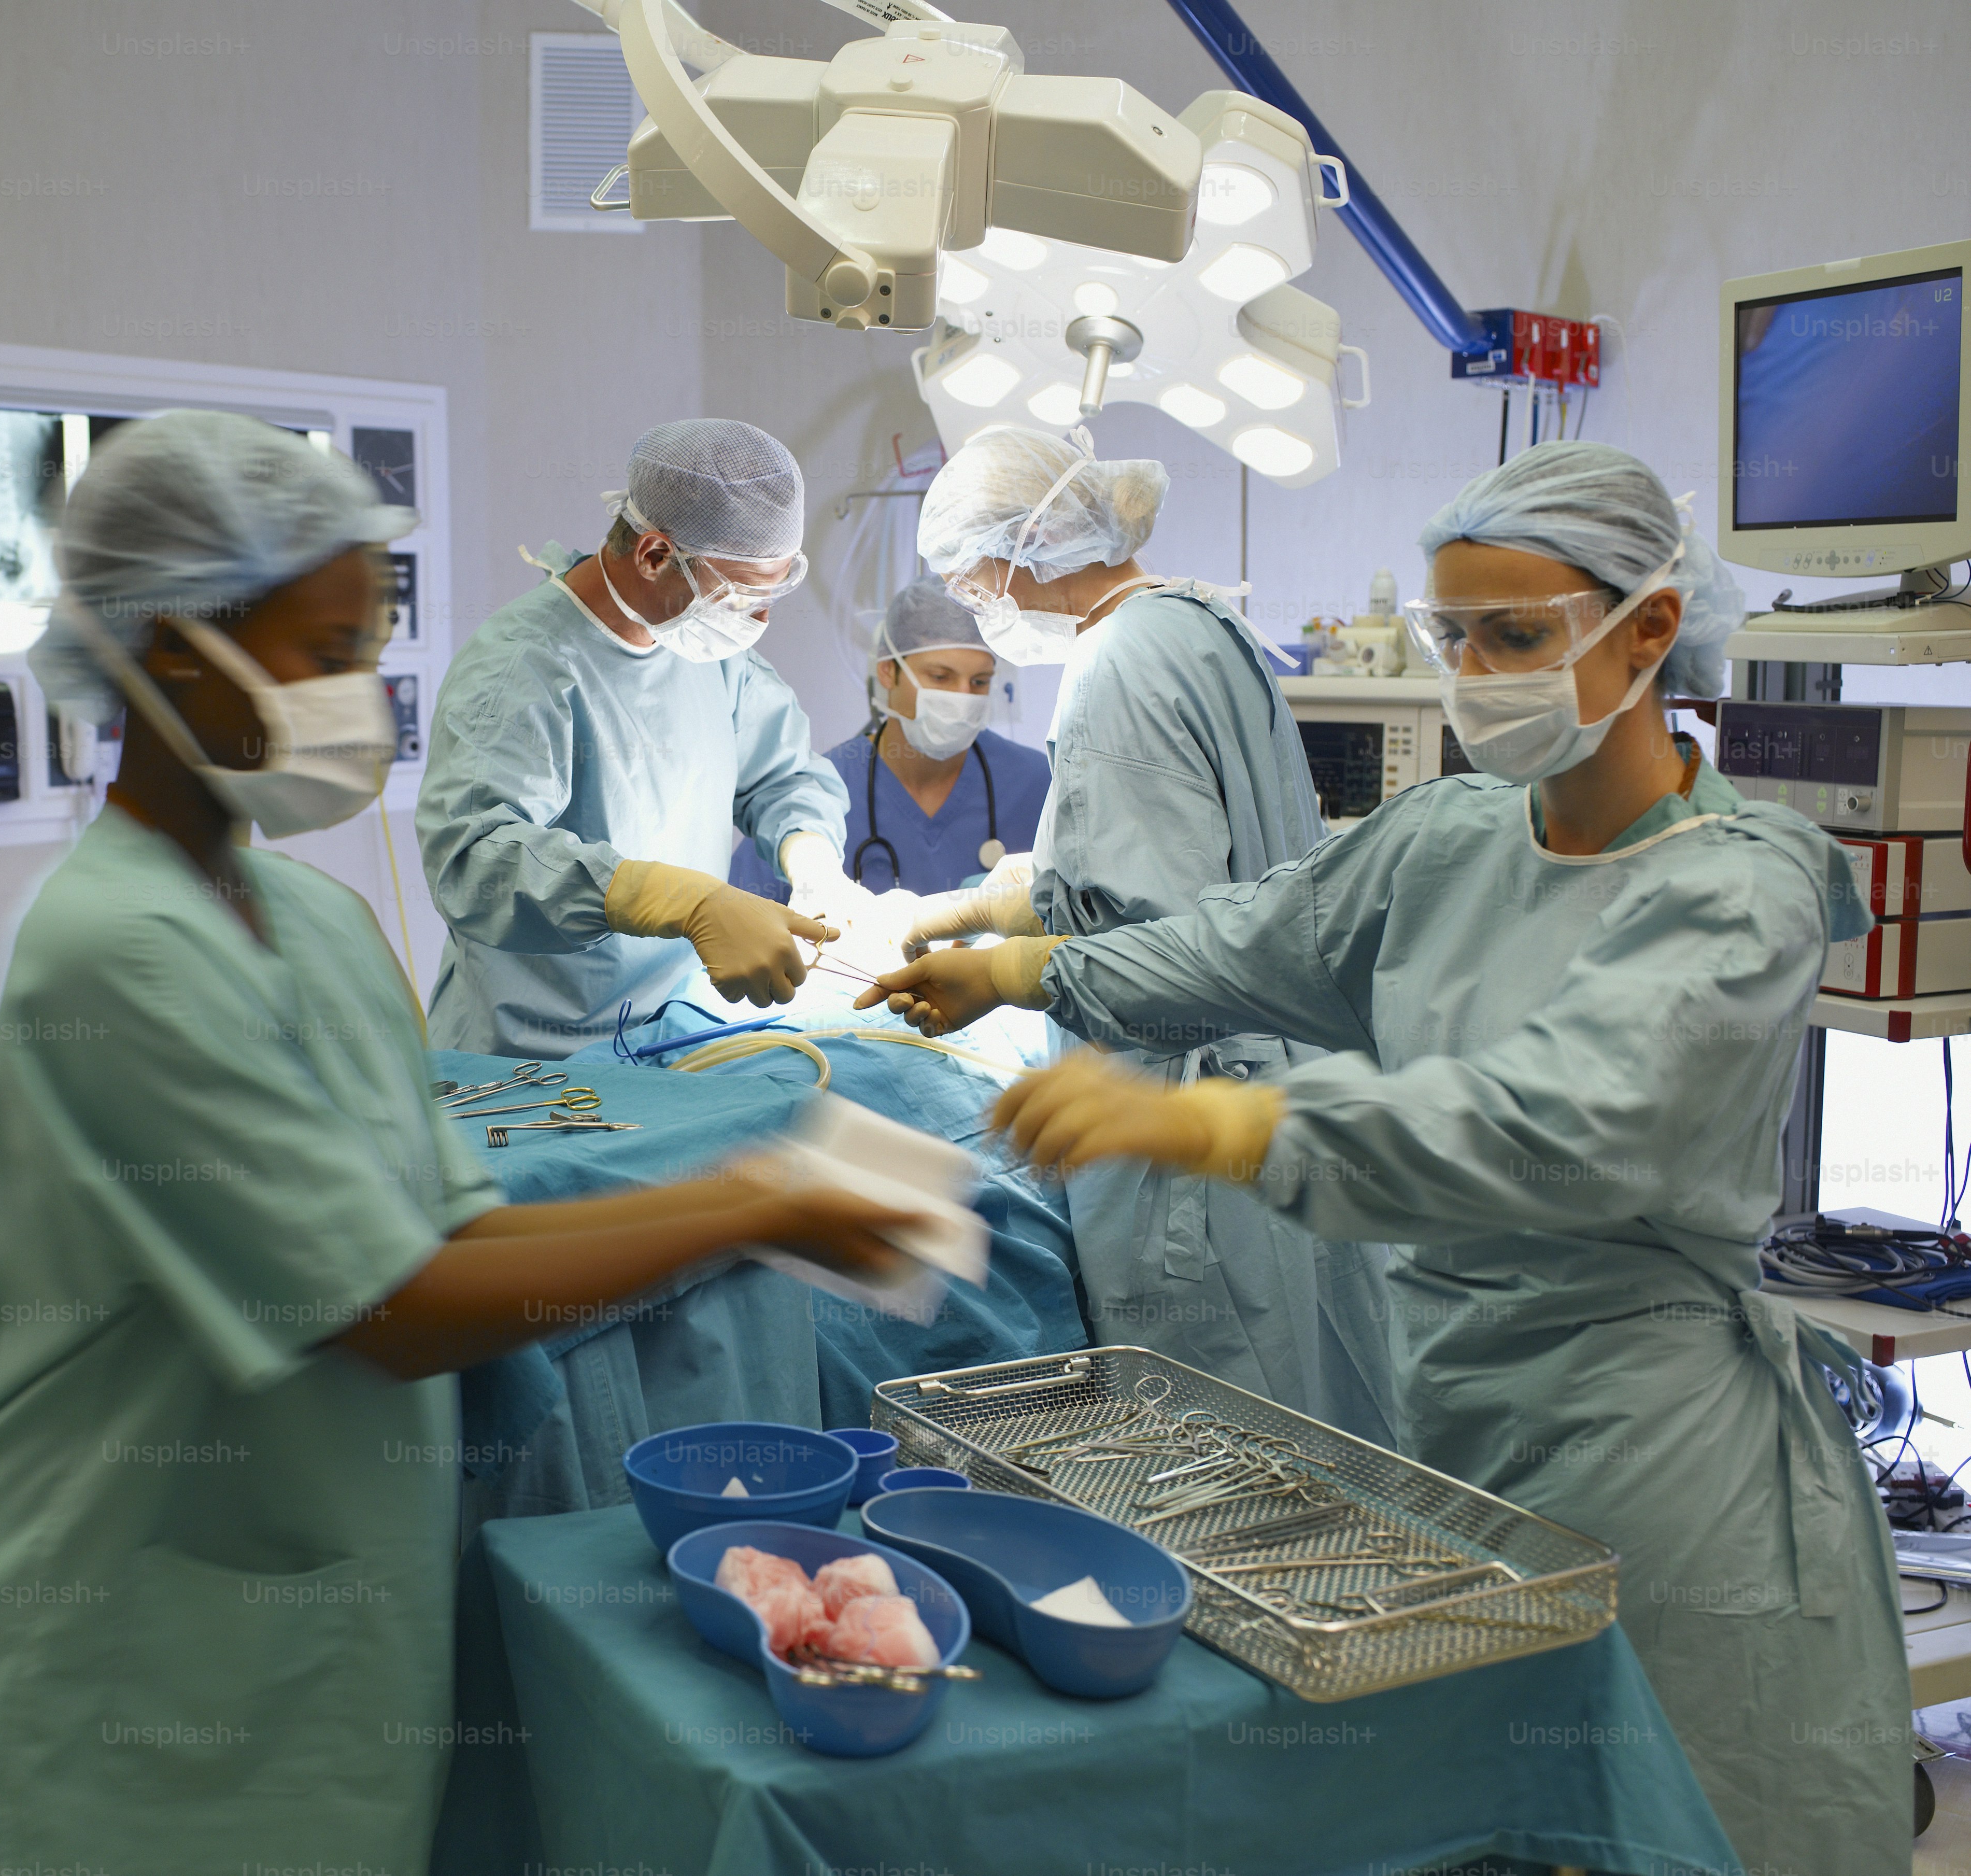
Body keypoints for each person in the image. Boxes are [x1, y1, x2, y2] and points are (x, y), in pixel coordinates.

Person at [0, 412, 914, 1876]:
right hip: (101, 1648)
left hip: (294, 1641)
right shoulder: (115, 952)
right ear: (175, 653)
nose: (366, 702)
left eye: (370, 651)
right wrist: (751, 1203)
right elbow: (389, 1303)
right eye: (326, 657)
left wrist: (751, 1190)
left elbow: (456, 1235)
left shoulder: (317, 921)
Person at [874, 439, 1912, 1875]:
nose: (1476, 668)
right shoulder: (1450, 840)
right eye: (1455, 634)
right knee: (1475, 1815)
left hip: (1654, 1448)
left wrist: (1221, 1125)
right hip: (1448, 1418)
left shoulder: (1739, 890)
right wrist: (1027, 970)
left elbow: (1552, 1125)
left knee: (1658, 1820)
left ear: (1650, 628)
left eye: (1517, 635)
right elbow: (1241, 942)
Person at [895, 426, 1395, 1444]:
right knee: (1323, 1439)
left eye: (970, 579)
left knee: (1227, 1469)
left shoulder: (1113, 666)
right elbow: (1195, 868)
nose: (979, 606)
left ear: (1019, 547)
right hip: (1276, 1092)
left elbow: (1159, 951)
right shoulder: (1193, 623)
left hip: (1183, 1144)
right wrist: (999, 899)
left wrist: (1002, 972)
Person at [419, 419, 866, 1057]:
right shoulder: (524, 667)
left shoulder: (705, 649)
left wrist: (811, 858)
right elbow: (476, 860)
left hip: (673, 1025)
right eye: (742, 594)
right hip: (532, 1051)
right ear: (654, 555)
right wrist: (671, 898)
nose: (761, 620)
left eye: (774, 592)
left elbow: (782, 776)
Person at [726, 576, 1050, 904]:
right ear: (887, 672)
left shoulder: (1036, 782)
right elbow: (747, 913)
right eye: (940, 677)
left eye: (980, 682)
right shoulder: (818, 790)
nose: (962, 698)